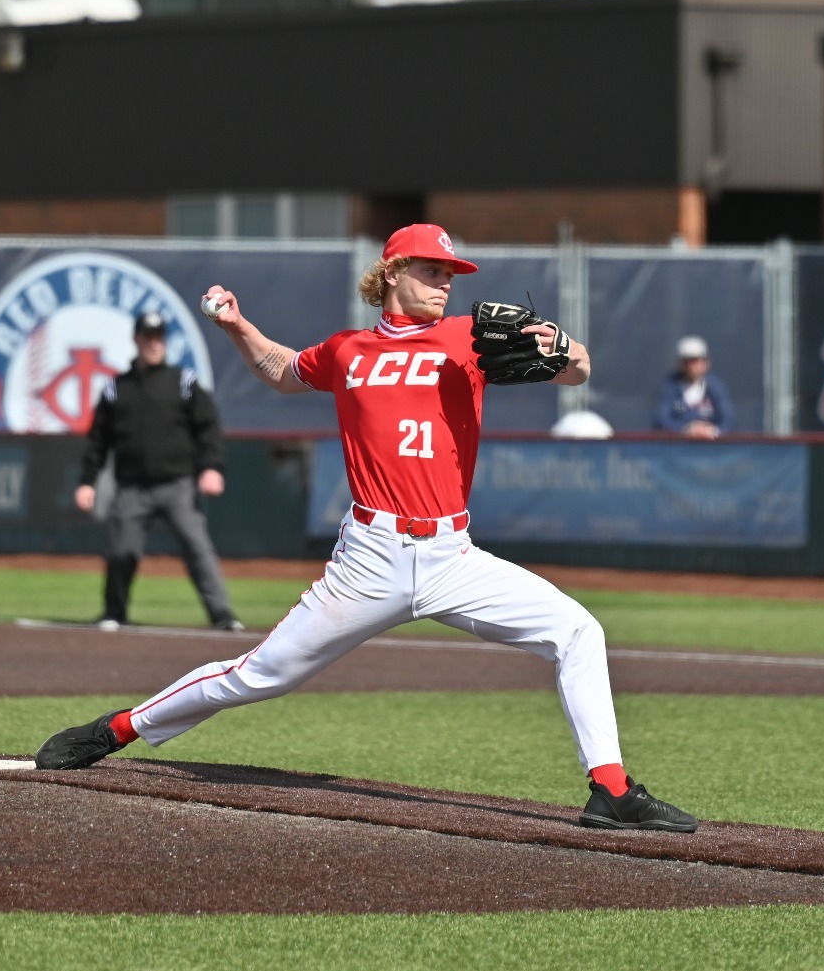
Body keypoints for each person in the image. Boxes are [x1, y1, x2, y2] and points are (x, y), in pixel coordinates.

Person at [34, 223, 697, 833]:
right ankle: (120, 728)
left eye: (450, 274)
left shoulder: (469, 337)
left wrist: (560, 345)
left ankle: (610, 789)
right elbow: (283, 371)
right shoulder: (349, 349)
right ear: (394, 271)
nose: (446, 282)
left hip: (451, 554)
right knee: (263, 673)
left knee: (578, 629)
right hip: (371, 558)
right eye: (433, 270)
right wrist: (238, 325)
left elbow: (577, 369)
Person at [75, 310, 243, 632]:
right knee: (121, 550)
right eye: (147, 337)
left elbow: (207, 429)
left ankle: (222, 614)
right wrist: (87, 481)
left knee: (198, 548)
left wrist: (211, 468)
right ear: (136, 339)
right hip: (132, 487)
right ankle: (114, 612)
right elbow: (98, 441)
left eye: (158, 337)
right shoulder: (115, 388)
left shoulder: (184, 382)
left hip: (177, 485)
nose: (153, 343)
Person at [652, 336, 730, 439]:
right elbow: (661, 419)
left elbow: (728, 420)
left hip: (712, 450)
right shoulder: (670, 387)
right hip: (680, 450)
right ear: (680, 363)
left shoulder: (715, 387)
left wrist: (713, 431)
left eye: (696, 360)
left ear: (706, 362)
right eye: (687, 360)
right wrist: (685, 430)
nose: (692, 365)